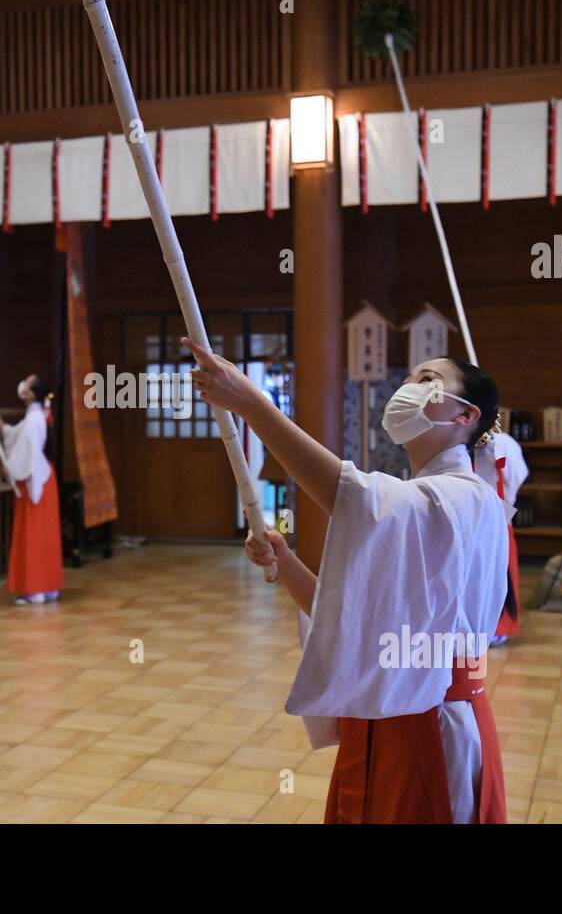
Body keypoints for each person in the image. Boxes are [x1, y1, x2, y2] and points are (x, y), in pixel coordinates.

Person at [186, 338, 509, 824]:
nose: (408, 389)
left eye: (427, 381)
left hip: (435, 722)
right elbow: (360, 623)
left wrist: (252, 404)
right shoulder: (422, 501)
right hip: (385, 715)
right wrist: (287, 561)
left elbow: (352, 496)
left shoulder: (468, 500)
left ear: (467, 415)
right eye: (407, 380)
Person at [0, 374, 63, 606]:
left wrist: (11, 469)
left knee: (34, 535)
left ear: (29, 393)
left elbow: (27, 451)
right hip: (40, 478)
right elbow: (12, 435)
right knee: (42, 533)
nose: (22, 384)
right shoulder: (34, 417)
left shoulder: (35, 419)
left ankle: (36, 589)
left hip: (33, 479)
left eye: (26, 383)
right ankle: (47, 587)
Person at [475, 431, 529, 643]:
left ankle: (495, 627)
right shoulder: (506, 443)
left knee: (495, 573)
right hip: (499, 513)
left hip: (491, 515)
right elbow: (518, 475)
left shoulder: (462, 443)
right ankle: (497, 629)